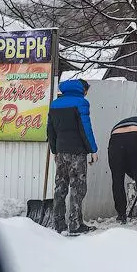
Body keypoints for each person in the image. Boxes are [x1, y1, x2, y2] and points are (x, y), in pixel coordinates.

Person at [46, 79, 97, 235]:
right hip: (77, 153)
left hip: (61, 152)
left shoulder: (55, 104)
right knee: (77, 188)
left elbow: (50, 130)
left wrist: (55, 151)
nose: (87, 93)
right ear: (83, 89)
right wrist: (93, 150)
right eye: (86, 90)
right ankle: (75, 225)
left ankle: (58, 223)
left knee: (60, 187)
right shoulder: (81, 103)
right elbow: (85, 129)